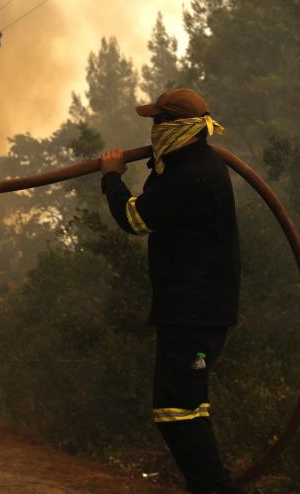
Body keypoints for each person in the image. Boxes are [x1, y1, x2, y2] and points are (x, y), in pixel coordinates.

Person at [99, 88, 241, 494]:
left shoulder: (194, 173)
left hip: (195, 313)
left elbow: (136, 218)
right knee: (181, 407)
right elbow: (162, 200)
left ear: (175, 128)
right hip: (190, 312)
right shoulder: (188, 166)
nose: (152, 130)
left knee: (178, 409)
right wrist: (158, 165)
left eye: (157, 123)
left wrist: (112, 177)